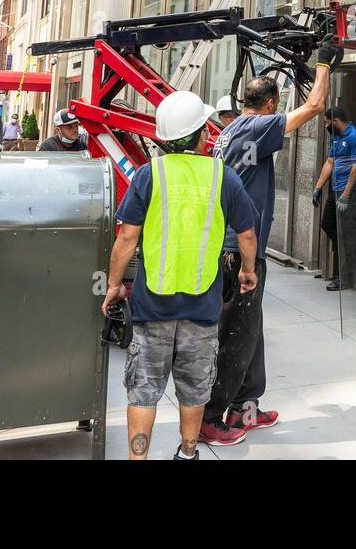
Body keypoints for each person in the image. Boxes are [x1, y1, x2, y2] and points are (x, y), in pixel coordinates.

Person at [102, 90, 259, 461]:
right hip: (202, 305)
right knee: (193, 389)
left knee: (143, 390)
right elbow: (247, 233)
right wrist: (248, 271)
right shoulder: (223, 175)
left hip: (152, 304)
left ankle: (137, 458)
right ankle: (187, 453)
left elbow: (127, 237)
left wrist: (113, 285)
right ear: (201, 135)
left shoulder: (148, 174)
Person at [199, 44, 335, 445]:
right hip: (239, 252)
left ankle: (245, 406)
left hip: (231, 246)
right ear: (271, 104)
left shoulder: (229, 131)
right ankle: (210, 417)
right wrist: (324, 63)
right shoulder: (258, 128)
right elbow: (313, 107)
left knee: (251, 330)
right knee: (237, 337)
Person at [312, 106, 356, 292]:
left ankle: (345, 276)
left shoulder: (355, 137)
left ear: (335, 121)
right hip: (335, 190)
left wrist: (346, 195)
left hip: (350, 192)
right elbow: (330, 162)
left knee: (345, 234)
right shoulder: (335, 136)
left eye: (327, 122)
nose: (326, 125)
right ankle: (350, 259)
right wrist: (318, 187)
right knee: (328, 224)